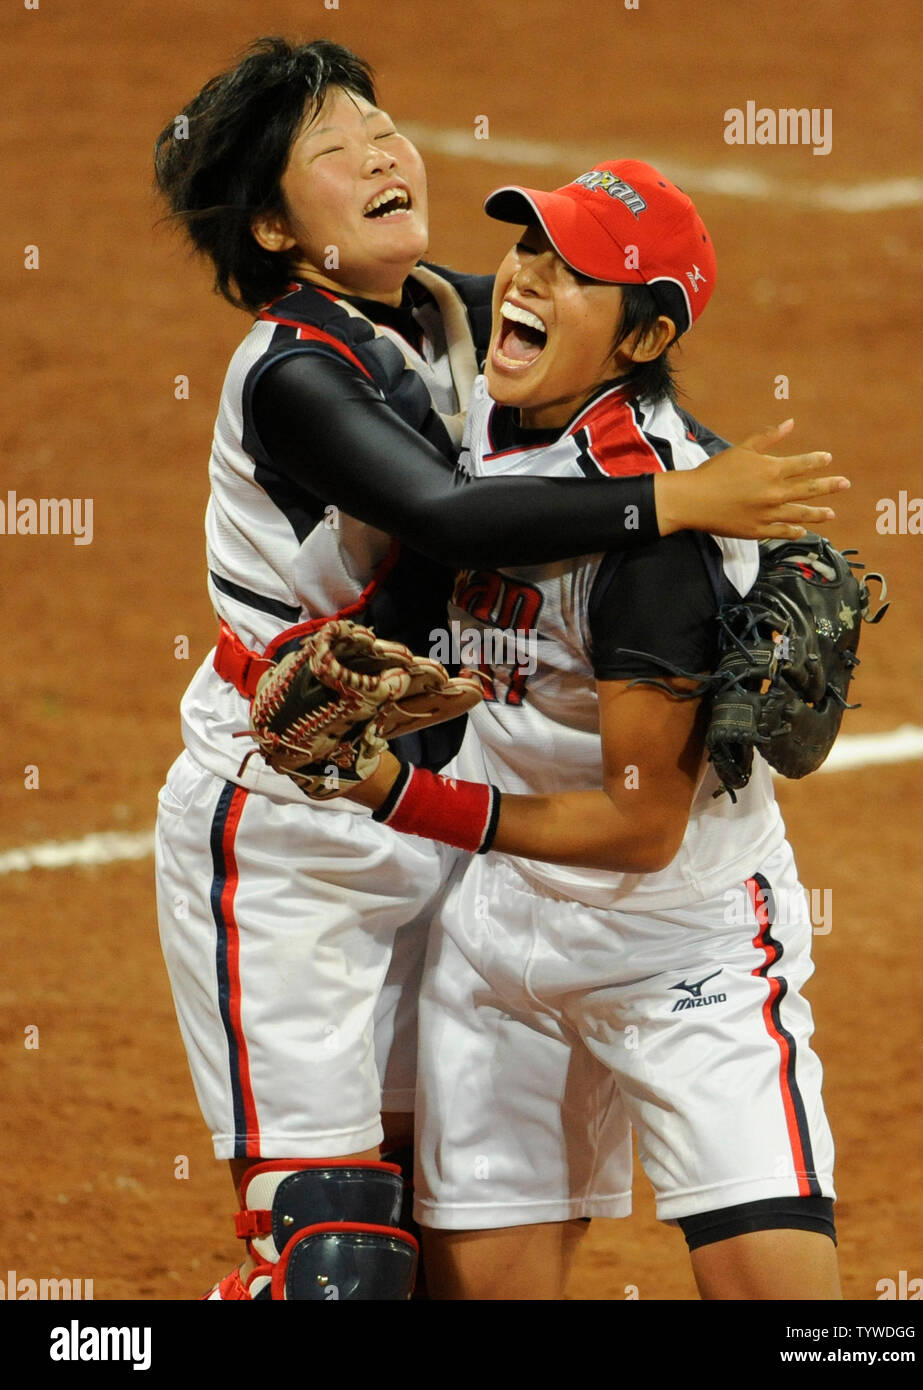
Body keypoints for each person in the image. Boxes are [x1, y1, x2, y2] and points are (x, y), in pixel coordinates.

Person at [152, 36, 847, 1300]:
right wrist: (680, 497)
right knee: (346, 1254)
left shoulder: (446, 319)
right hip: (317, 813)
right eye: (333, 150)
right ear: (279, 227)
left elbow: (619, 385)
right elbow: (458, 519)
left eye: (381, 129)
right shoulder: (319, 369)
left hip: (530, 869)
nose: (521, 276)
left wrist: (736, 524)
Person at [346, 162, 842, 1301]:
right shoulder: (494, 379)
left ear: (640, 338)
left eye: (573, 272)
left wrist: (399, 794)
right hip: (498, 934)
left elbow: (636, 827)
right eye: (527, 247)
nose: (524, 277)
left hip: (677, 949)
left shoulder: (652, 556)